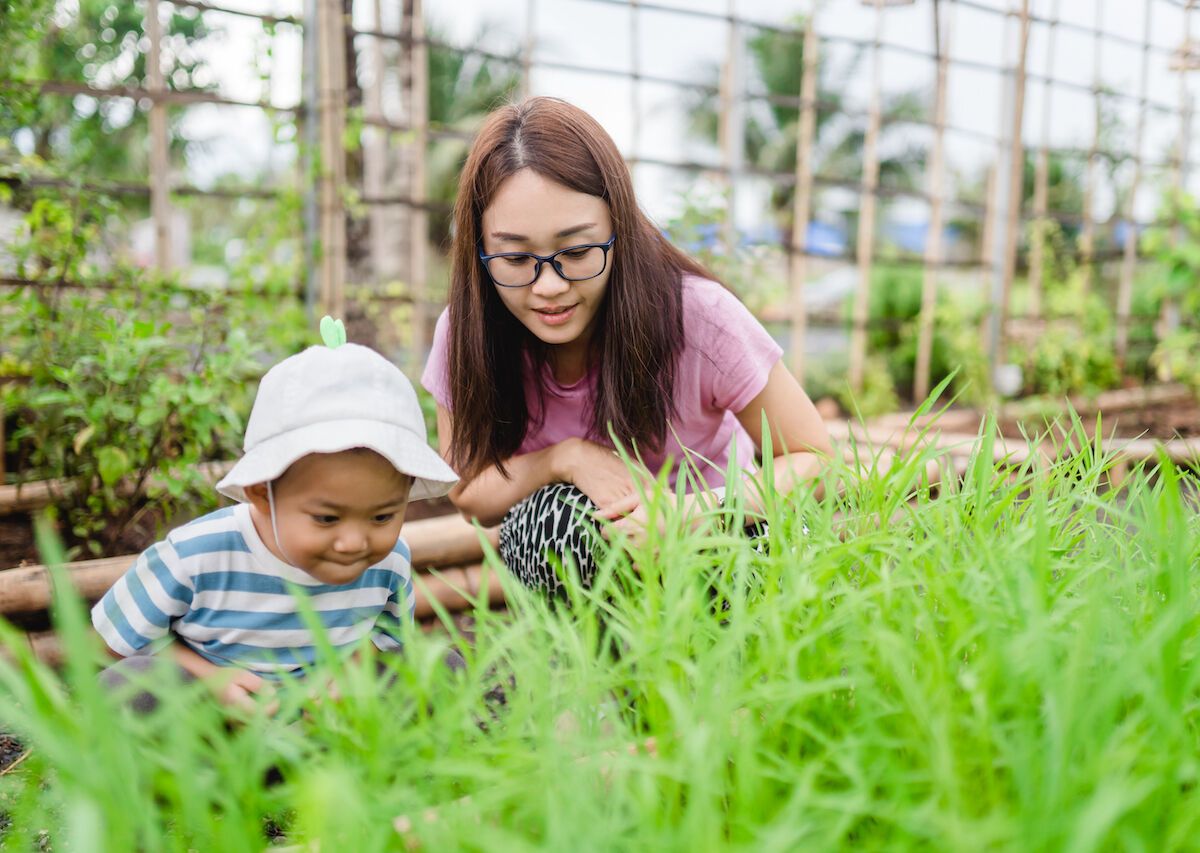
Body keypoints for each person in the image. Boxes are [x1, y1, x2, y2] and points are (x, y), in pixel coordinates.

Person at [421, 97, 832, 595]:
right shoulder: (467, 331)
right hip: (588, 554)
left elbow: (814, 456)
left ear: (620, 228)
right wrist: (565, 459)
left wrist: (690, 513)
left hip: (717, 543)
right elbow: (469, 491)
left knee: (771, 541)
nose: (548, 286)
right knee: (542, 523)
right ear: (480, 249)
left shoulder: (699, 316)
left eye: (575, 252)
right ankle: (594, 664)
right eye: (514, 258)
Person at [92, 322, 459, 712]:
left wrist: (350, 674)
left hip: (323, 726)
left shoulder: (390, 562)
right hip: (217, 727)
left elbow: (386, 641)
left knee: (441, 666)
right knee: (125, 686)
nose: (355, 542)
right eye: (327, 519)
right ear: (260, 493)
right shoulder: (196, 556)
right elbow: (112, 644)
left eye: (383, 516)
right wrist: (211, 679)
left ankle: (354, 767)